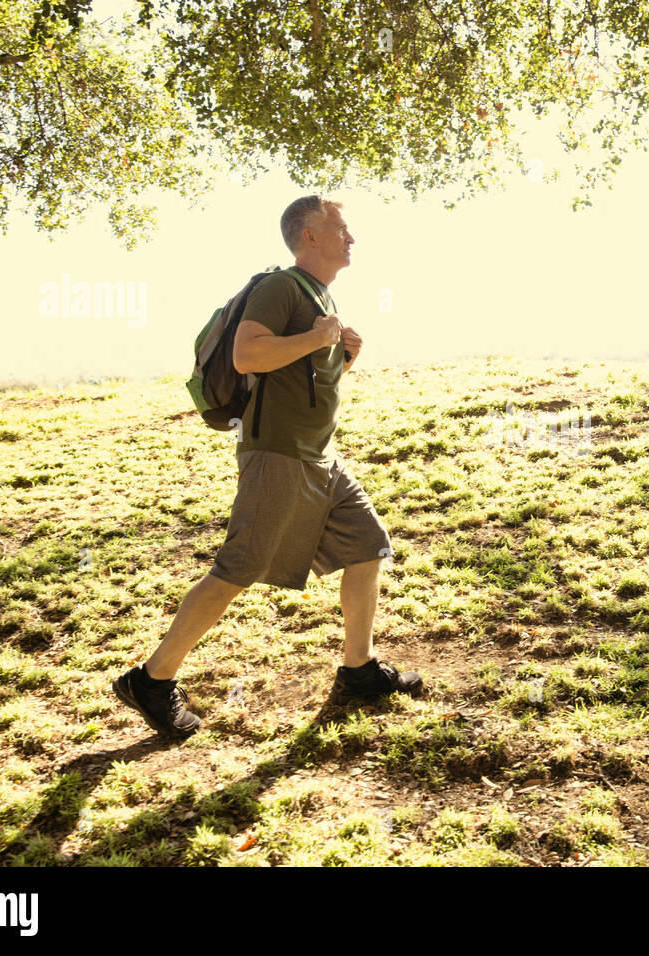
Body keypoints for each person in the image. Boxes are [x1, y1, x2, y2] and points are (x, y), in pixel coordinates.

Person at [113, 196, 424, 739]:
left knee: (367, 544)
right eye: (342, 230)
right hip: (277, 454)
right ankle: (151, 679)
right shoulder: (280, 286)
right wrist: (318, 337)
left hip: (319, 455)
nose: (351, 239)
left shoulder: (318, 294)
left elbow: (304, 380)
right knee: (239, 567)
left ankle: (358, 671)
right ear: (309, 235)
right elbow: (247, 356)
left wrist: (343, 355)